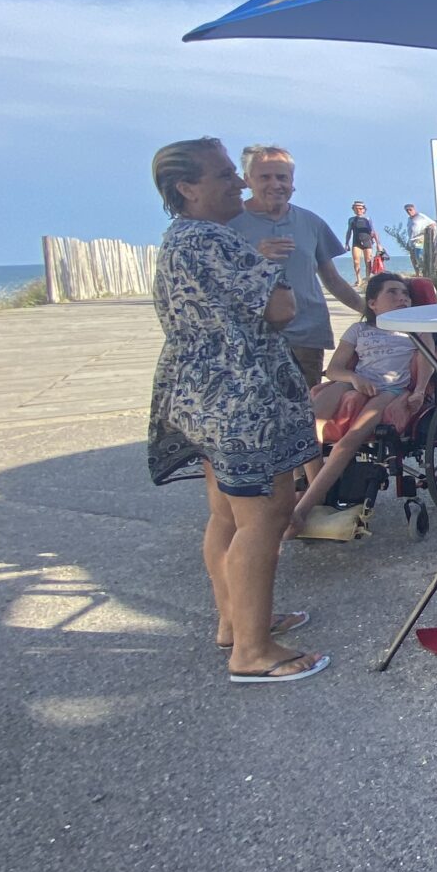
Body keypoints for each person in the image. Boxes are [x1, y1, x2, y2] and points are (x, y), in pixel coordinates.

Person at [145, 137, 328, 684]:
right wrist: (269, 268)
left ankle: (235, 621)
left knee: (226, 512)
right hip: (239, 396)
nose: (239, 184)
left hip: (198, 392)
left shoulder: (178, 239)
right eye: (225, 175)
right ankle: (253, 650)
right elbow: (281, 307)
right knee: (265, 513)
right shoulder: (214, 240)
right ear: (187, 188)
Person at [286, 273, 432, 536]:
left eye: (406, 294)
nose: (402, 298)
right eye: (393, 292)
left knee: (349, 441)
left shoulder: (416, 329)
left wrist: (420, 391)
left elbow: (428, 361)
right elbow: (335, 369)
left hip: (389, 389)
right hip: (356, 381)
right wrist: (354, 378)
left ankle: (304, 508)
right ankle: (316, 490)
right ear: (372, 303)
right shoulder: (359, 330)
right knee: (307, 426)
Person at [231, 145, 366, 405]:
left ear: (292, 181)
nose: (275, 184)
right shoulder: (229, 224)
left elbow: (333, 279)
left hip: (306, 334)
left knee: (303, 409)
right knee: (254, 409)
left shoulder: (311, 222)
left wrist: (368, 311)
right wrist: (256, 260)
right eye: (265, 177)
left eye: (282, 177)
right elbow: (216, 284)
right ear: (247, 180)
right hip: (250, 336)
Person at [343, 201, 380, 286]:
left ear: (364, 210)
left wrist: (378, 244)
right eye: (356, 209)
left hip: (367, 241)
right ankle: (358, 279)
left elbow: (373, 231)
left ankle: (367, 279)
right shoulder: (351, 220)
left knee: (368, 261)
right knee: (356, 261)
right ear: (353, 210)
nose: (358, 210)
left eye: (360, 209)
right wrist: (346, 243)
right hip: (356, 242)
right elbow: (349, 231)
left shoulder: (367, 219)